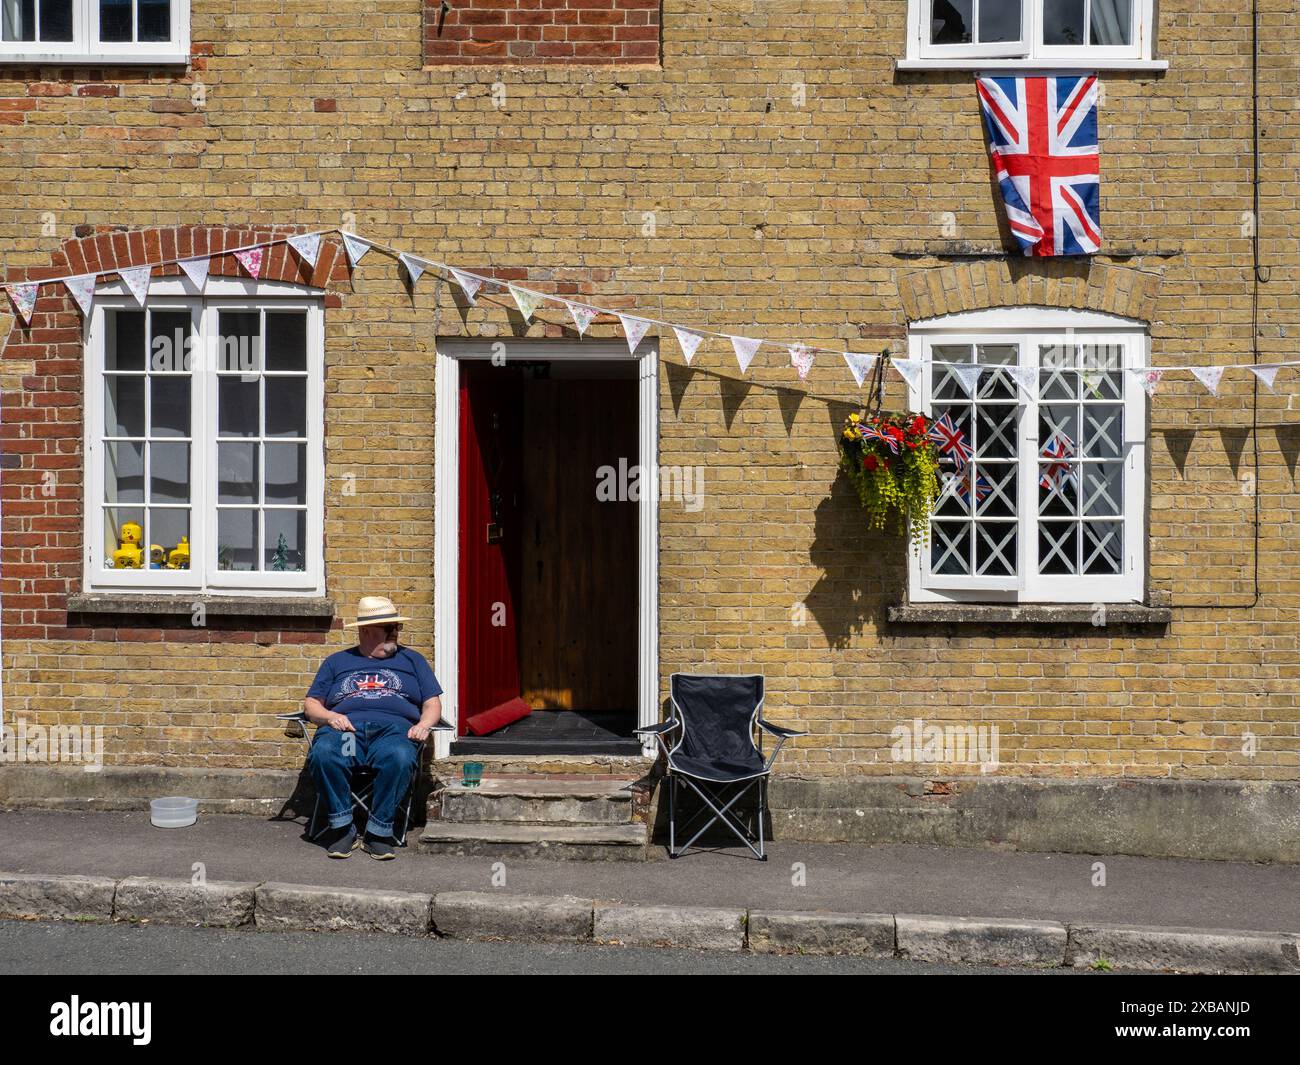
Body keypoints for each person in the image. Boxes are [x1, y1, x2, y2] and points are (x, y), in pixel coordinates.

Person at [303, 595, 444, 860]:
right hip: (348, 733)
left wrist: (424, 725)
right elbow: (312, 704)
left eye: (396, 627)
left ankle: (378, 833)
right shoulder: (337, 662)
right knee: (326, 754)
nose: (395, 633)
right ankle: (343, 829)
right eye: (388, 628)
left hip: (392, 732)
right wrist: (330, 717)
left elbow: (432, 704)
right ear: (365, 631)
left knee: (399, 757)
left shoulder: (413, 661)